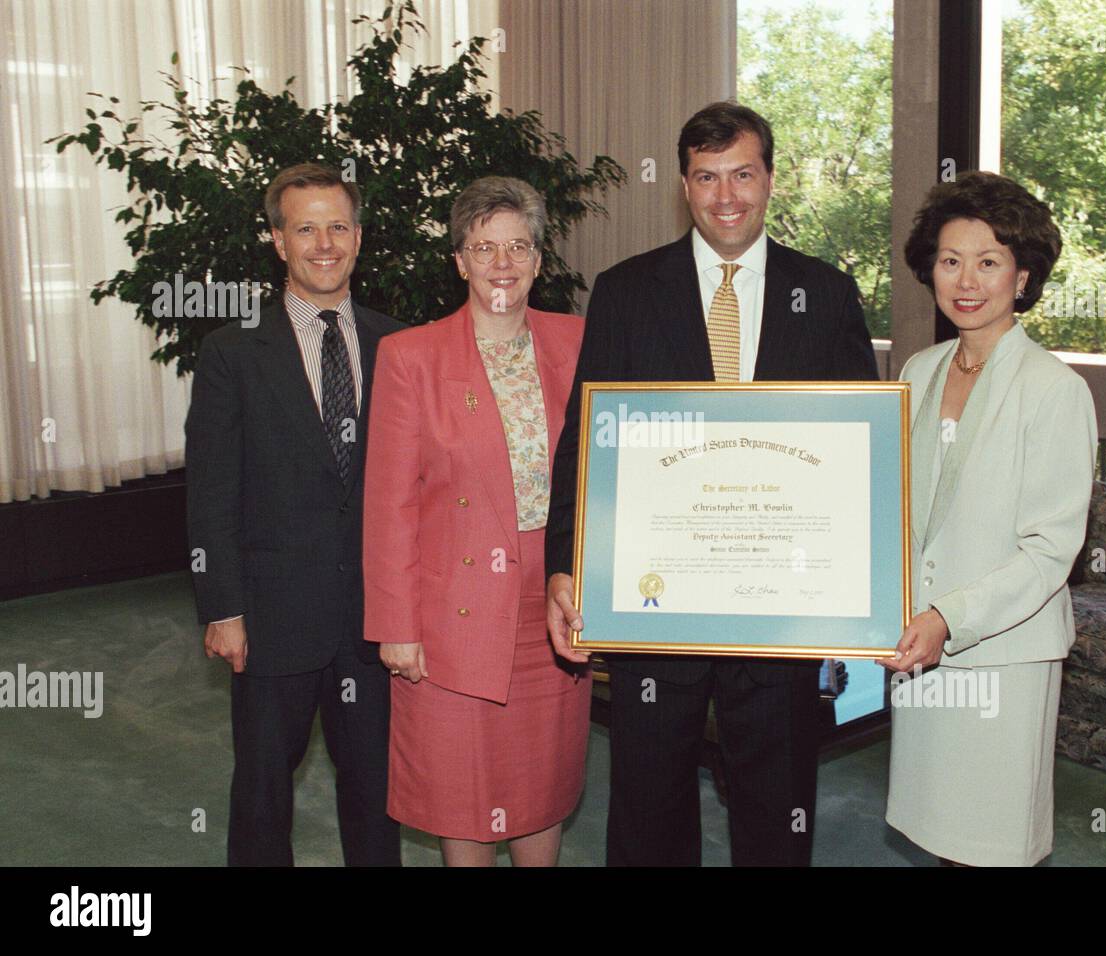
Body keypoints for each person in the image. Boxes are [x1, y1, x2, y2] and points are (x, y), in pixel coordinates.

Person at [544, 102, 880, 867]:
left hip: (780, 607)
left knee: (777, 802)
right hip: (657, 598)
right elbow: (586, 445)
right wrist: (564, 563)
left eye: (742, 175)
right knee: (649, 802)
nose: (726, 196)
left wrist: (855, 590)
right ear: (684, 186)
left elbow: (856, 449)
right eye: (706, 177)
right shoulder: (627, 290)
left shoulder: (824, 293)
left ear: (769, 178)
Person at [363, 176, 589, 867]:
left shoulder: (580, 341)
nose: (502, 263)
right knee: (461, 789)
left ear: (539, 260)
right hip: (450, 611)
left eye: (518, 246)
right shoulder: (411, 356)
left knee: (540, 779)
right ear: (459, 260)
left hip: (551, 600)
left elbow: (602, 474)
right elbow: (389, 503)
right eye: (484, 247)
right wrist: (396, 626)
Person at [186, 162, 404, 866]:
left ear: (359, 237)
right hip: (272, 617)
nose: (324, 243)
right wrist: (223, 608)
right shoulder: (230, 355)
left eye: (337, 226)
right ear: (278, 241)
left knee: (378, 793)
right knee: (261, 793)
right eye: (305, 227)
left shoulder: (400, 347)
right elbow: (211, 491)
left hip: (375, 621)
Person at [881, 170, 1098, 867]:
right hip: (922, 648)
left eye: (988, 261)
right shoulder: (918, 369)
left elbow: (1048, 552)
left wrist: (949, 615)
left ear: (1024, 276)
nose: (966, 280)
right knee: (941, 836)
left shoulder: (1055, 390)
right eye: (950, 260)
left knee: (993, 844)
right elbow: (894, 503)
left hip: (1001, 652)